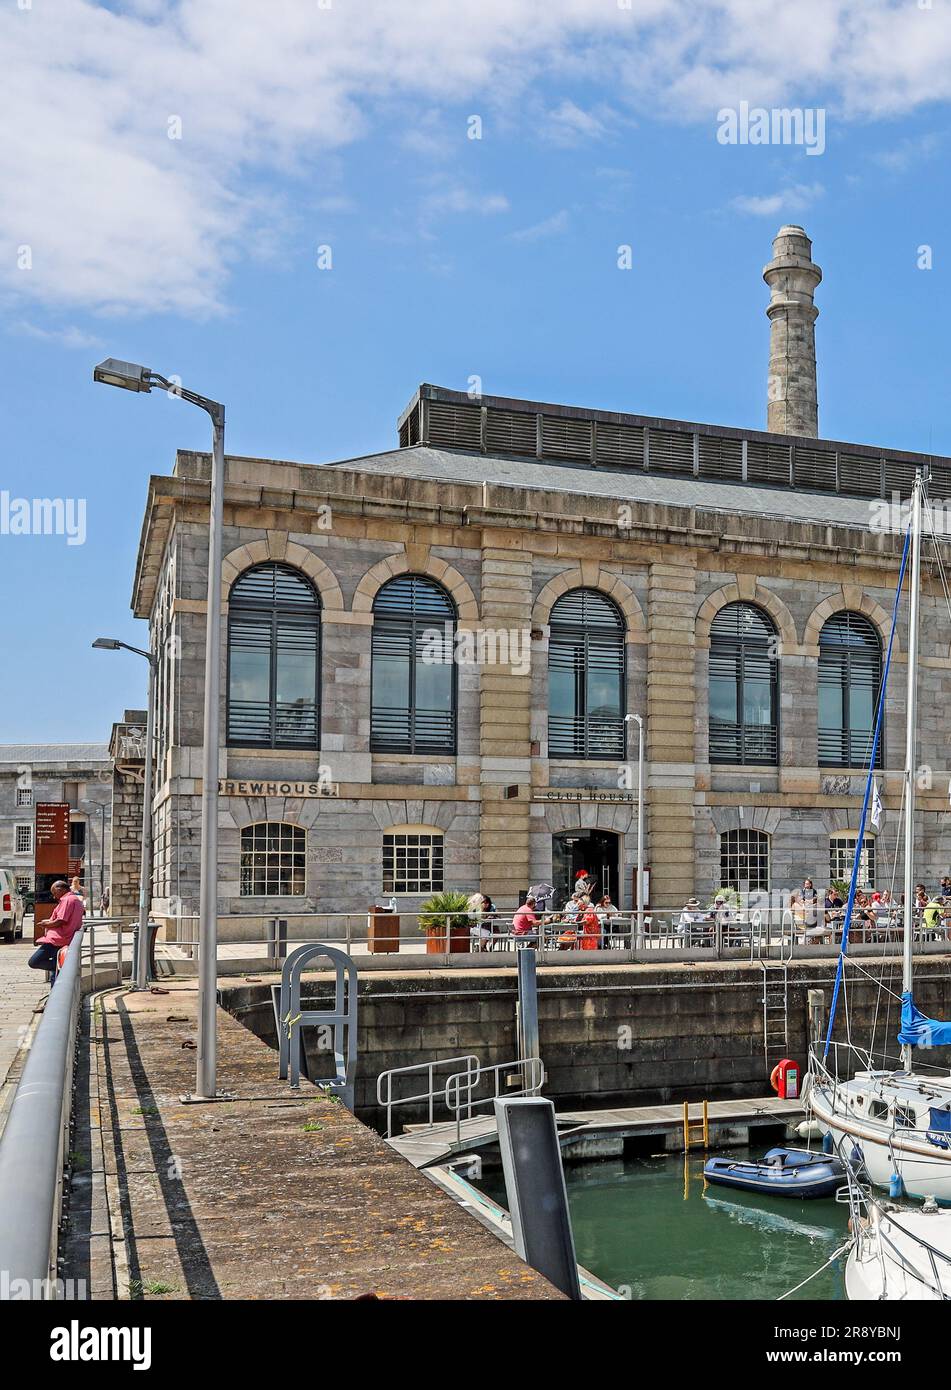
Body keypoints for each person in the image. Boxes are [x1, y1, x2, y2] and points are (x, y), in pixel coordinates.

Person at [29, 880, 84, 983]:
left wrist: (45, 924)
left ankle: (63, 967)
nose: (54, 897)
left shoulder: (67, 900)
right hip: (64, 938)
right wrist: (49, 922)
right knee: (55, 976)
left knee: (34, 961)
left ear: (60, 890)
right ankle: (59, 969)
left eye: (54, 893)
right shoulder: (75, 900)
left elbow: (61, 920)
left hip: (57, 939)